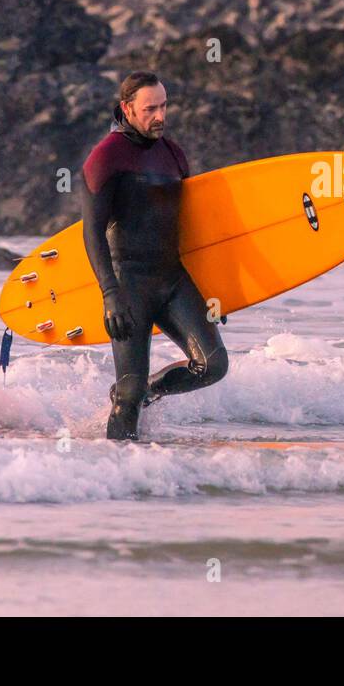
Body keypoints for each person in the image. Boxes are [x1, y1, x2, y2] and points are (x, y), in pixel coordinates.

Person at [80, 71, 228, 439]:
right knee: (129, 391)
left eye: (164, 106)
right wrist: (110, 293)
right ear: (127, 108)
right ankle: (119, 472)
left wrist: (216, 288)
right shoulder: (105, 158)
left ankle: (150, 393)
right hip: (129, 283)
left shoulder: (173, 154)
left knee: (212, 365)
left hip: (173, 278)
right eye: (150, 109)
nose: (160, 116)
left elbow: (193, 230)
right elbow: (92, 231)